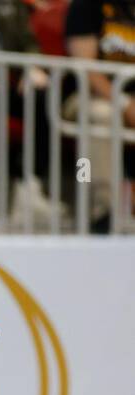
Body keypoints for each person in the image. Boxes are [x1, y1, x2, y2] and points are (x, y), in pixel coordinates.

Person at [64, 0, 135, 231]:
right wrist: (125, 104)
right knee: (103, 116)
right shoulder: (87, 6)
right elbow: (87, 69)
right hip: (90, 98)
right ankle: (103, 213)